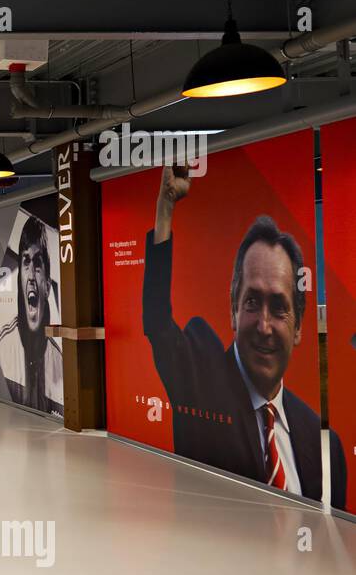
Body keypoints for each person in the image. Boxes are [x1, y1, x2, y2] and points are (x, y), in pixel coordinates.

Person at [142, 164, 346, 506]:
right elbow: (158, 322)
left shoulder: (325, 444)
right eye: (252, 302)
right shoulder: (200, 377)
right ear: (233, 310)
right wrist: (165, 210)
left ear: (298, 328)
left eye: (279, 308)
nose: (264, 326)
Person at [0, 215, 63, 414]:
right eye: (26, 262)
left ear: (48, 286)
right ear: (18, 281)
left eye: (38, 264)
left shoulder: (58, 361)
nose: (32, 275)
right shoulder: (5, 346)